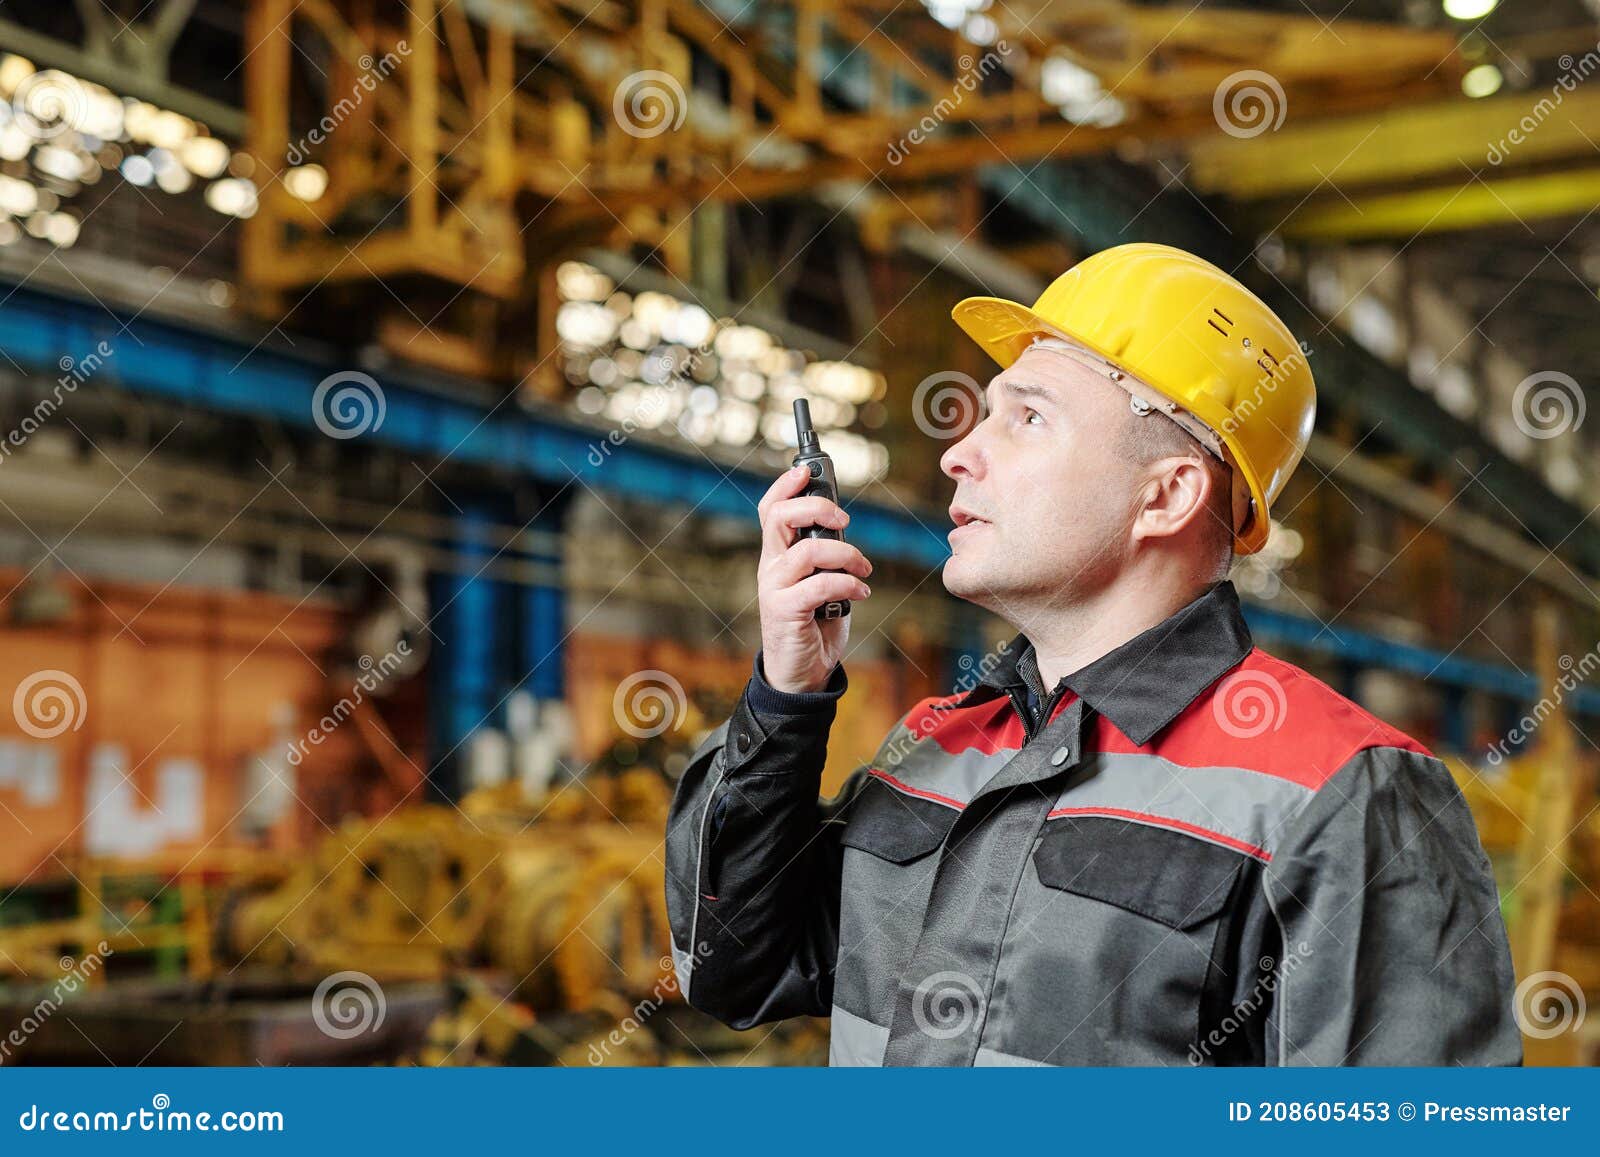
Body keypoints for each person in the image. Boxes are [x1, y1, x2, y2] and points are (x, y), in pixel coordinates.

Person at [664, 242, 1521, 1066]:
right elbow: (732, 967)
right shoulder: (934, 746)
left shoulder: (1343, 790)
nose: (958, 453)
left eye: (1029, 416)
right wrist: (786, 696)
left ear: (1167, 494)